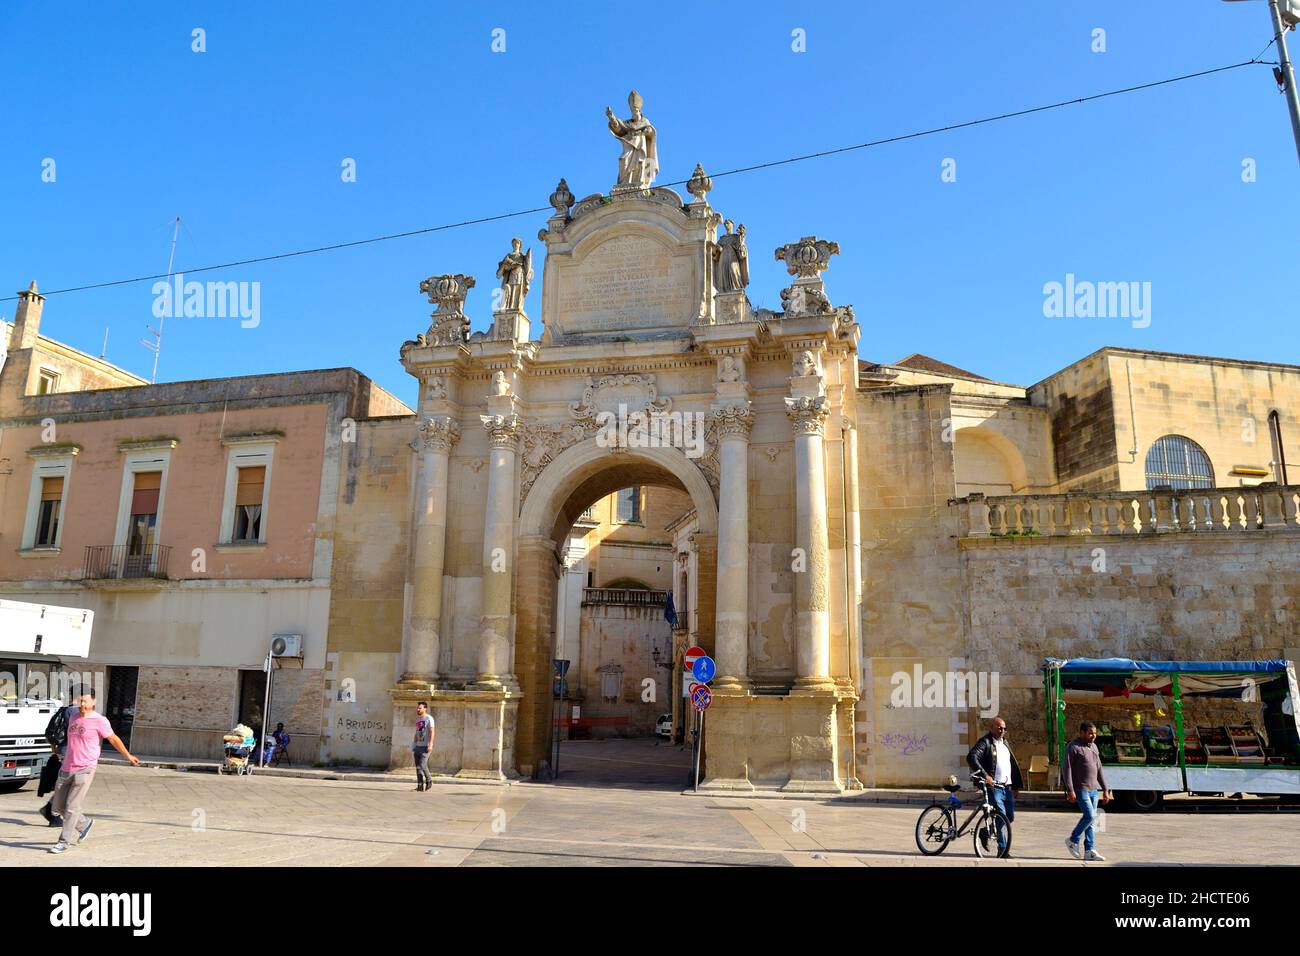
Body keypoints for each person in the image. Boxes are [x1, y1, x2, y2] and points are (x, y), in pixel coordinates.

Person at [49, 689, 140, 853]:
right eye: (79, 701)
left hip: (85, 767)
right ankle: (84, 824)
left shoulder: (100, 720)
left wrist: (127, 756)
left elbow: (113, 739)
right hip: (66, 767)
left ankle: (63, 842)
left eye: (85, 701)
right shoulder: (73, 717)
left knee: (71, 807)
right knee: (58, 806)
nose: (82, 704)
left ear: (93, 702)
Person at [966, 715, 1022, 857]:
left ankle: (985, 832)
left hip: (1007, 787)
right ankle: (1003, 850)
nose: (1002, 730)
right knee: (1001, 815)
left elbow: (1012, 766)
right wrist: (985, 776)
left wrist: (1015, 785)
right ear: (992, 728)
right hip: (993, 787)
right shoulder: (985, 742)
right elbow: (972, 757)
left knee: (1009, 816)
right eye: (999, 728)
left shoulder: (1005, 743)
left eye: (1004, 728)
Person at [1063, 720, 1112, 861]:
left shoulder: (1094, 747)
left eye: (1095, 733)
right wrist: (1070, 790)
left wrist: (1105, 789)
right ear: (1082, 732)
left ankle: (1089, 850)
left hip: (1093, 790)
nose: (1093, 736)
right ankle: (1073, 839)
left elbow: (1099, 769)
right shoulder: (1073, 747)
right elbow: (1067, 769)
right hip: (1081, 789)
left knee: (1092, 821)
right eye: (1090, 733)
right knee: (1090, 816)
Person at [39, 688, 82, 828]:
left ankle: (51, 810)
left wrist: (54, 751)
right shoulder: (75, 712)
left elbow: (52, 733)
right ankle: (53, 812)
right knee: (67, 787)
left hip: (61, 751)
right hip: (70, 752)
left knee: (65, 785)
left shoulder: (63, 710)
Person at [412, 702, 434, 792]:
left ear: (425, 709)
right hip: (418, 746)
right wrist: (414, 744)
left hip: (426, 746)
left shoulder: (429, 718)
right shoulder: (419, 720)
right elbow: (418, 733)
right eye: (417, 708)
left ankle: (429, 780)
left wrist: (430, 743)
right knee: (418, 767)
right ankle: (420, 785)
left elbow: (432, 731)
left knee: (422, 764)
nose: (418, 709)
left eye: (420, 708)